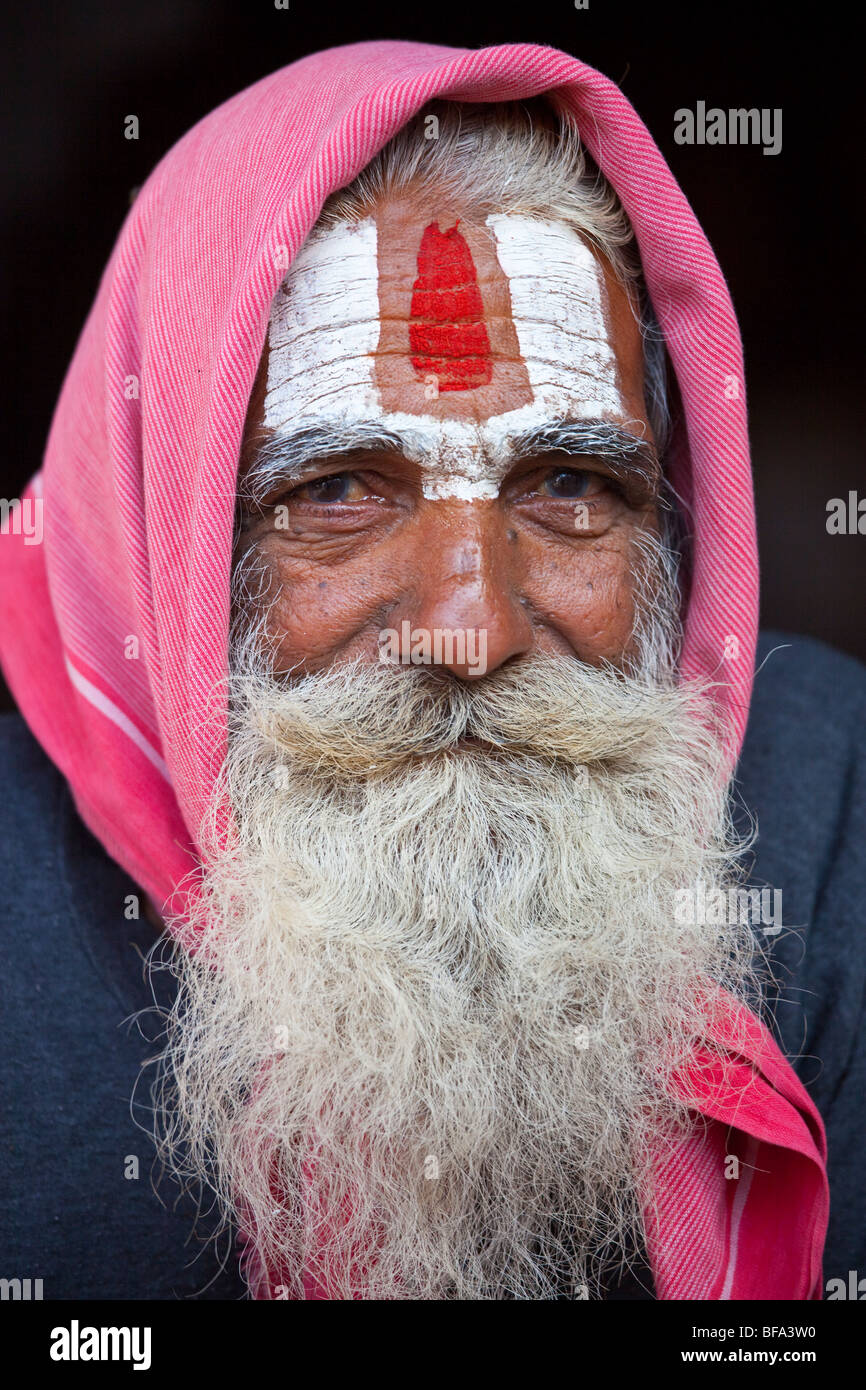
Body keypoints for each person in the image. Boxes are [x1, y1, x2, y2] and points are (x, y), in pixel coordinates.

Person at [1, 40, 862, 1302]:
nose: (471, 625)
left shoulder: (832, 792)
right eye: (339, 491)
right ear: (162, 533)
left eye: (569, 486)